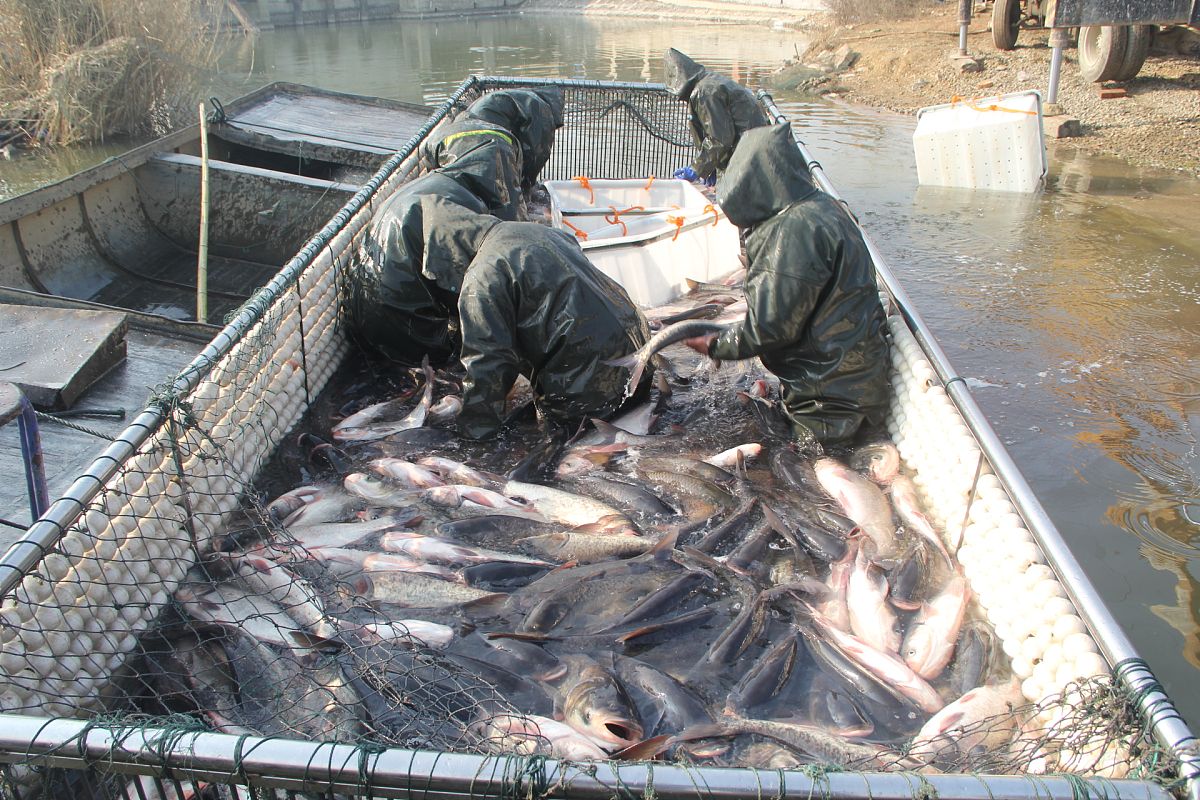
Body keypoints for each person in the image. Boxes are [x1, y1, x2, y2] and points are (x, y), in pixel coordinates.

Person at [684, 123, 890, 447]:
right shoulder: (823, 206)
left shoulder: (793, 229)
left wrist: (715, 344)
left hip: (830, 400)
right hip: (856, 378)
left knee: (811, 463)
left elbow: (771, 327)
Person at [401, 204, 650, 441]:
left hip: (590, 384)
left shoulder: (481, 279)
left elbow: (487, 364)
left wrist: (474, 436)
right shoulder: (538, 230)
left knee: (563, 442)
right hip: (641, 352)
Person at [350, 155, 514, 365]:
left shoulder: (435, 183)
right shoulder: (465, 202)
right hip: (400, 314)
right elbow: (459, 275)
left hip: (363, 306)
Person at [664, 48, 769, 185]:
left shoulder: (704, 92)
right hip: (754, 145)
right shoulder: (708, 82)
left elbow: (720, 138)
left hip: (750, 153)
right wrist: (710, 167)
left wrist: (696, 169)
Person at [417, 113, 524, 221]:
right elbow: (517, 169)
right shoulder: (499, 130)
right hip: (500, 155)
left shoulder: (438, 136)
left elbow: (433, 172)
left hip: (461, 170)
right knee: (508, 205)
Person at [465, 87, 565, 192]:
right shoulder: (542, 109)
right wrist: (528, 184)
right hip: (486, 129)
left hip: (472, 125)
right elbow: (537, 154)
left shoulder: (526, 96)